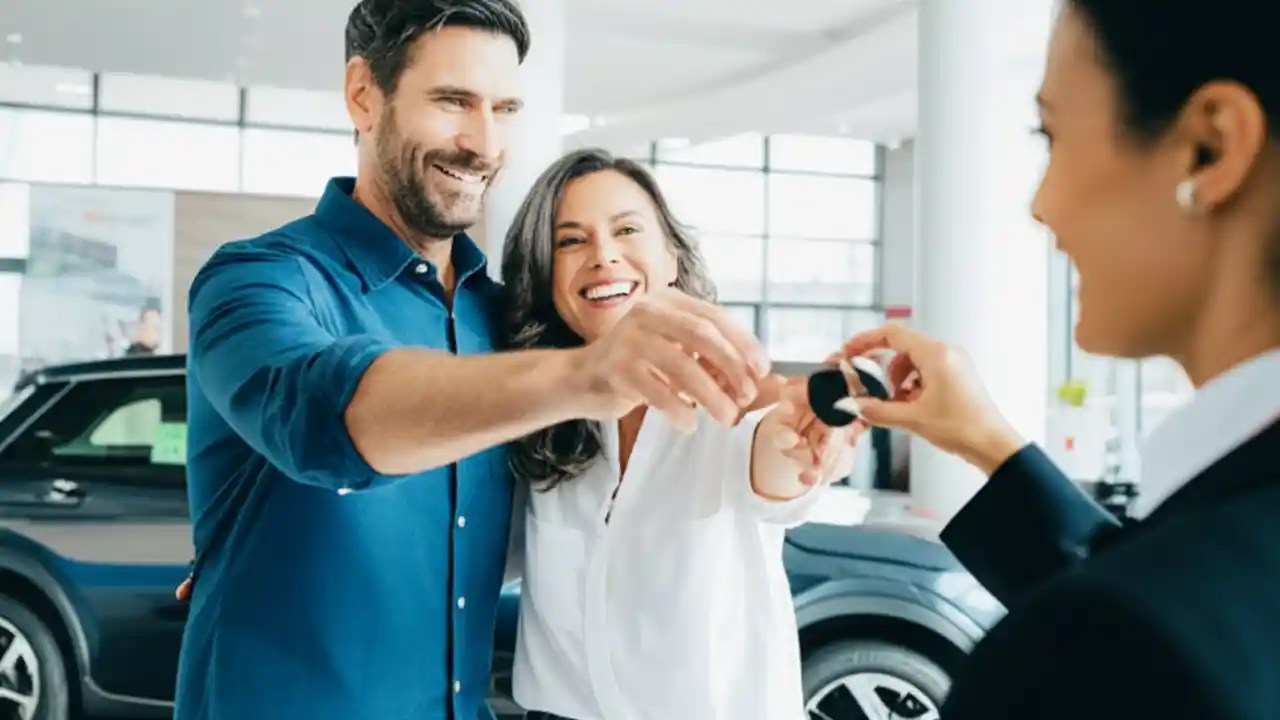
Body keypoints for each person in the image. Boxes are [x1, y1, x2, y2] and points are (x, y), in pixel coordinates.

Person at [174, 2, 773, 719]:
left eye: (505, 109)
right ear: (364, 95)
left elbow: (561, 524)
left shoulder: (506, 319)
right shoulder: (255, 281)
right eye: (453, 101)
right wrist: (586, 375)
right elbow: (318, 416)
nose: (484, 144)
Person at [836, 1, 1280, 717]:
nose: (1041, 205)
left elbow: (1129, 640)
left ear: (1210, 147)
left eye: (1051, 135)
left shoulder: (1111, 643)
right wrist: (986, 441)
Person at [498, 148, 860, 720]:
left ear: (671, 258)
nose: (603, 255)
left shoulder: (735, 394)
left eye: (626, 230)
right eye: (571, 241)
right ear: (545, 277)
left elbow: (774, 458)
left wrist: (804, 444)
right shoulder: (541, 417)